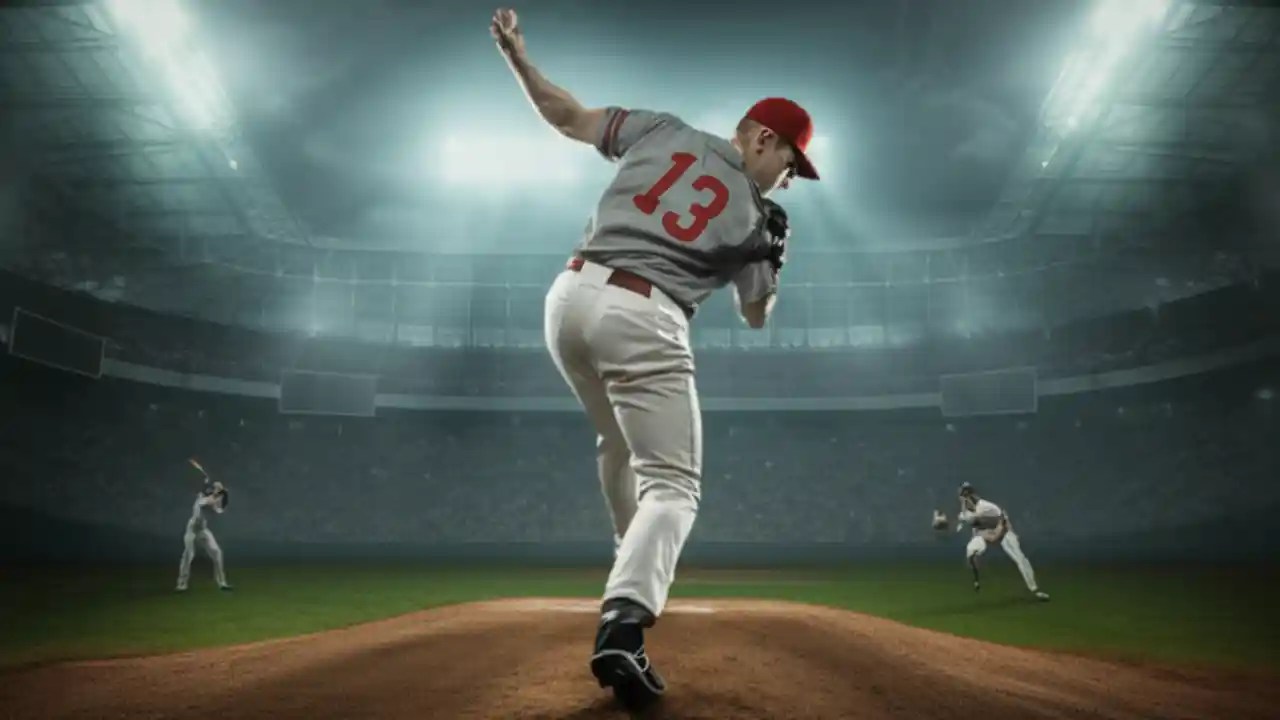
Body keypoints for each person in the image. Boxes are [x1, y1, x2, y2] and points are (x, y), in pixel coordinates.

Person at [489, 6, 819, 709]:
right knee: (675, 487)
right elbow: (756, 316)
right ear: (763, 138)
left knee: (615, 442)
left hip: (568, 297)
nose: (789, 178)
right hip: (644, 313)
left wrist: (518, 59)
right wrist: (775, 260)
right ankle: (624, 627)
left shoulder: (664, 129)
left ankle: (626, 551)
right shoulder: (759, 220)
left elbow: (568, 117)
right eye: (791, 161)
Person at [953, 482, 1049, 601]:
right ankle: (976, 574)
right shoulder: (965, 513)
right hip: (985, 533)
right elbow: (968, 523)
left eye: (966, 495)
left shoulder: (986, 506)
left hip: (1003, 533)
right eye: (962, 496)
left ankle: (1035, 589)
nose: (964, 498)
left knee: (1020, 559)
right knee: (971, 551)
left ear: (971, 495)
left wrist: (1000, 533)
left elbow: (1002, 517)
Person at [176, 476, 232, 592]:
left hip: (203, 530)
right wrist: (219, 493)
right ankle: (182, 584)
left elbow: (220, 510)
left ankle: (222, 583)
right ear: (212, 489)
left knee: (217, 552)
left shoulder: (214, 501)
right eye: (217, 488)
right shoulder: (202, 498)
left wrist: (225, 497)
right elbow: (206, 501)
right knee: (188, 555)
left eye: (219, 488)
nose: (218, 490)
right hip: (192, 530)